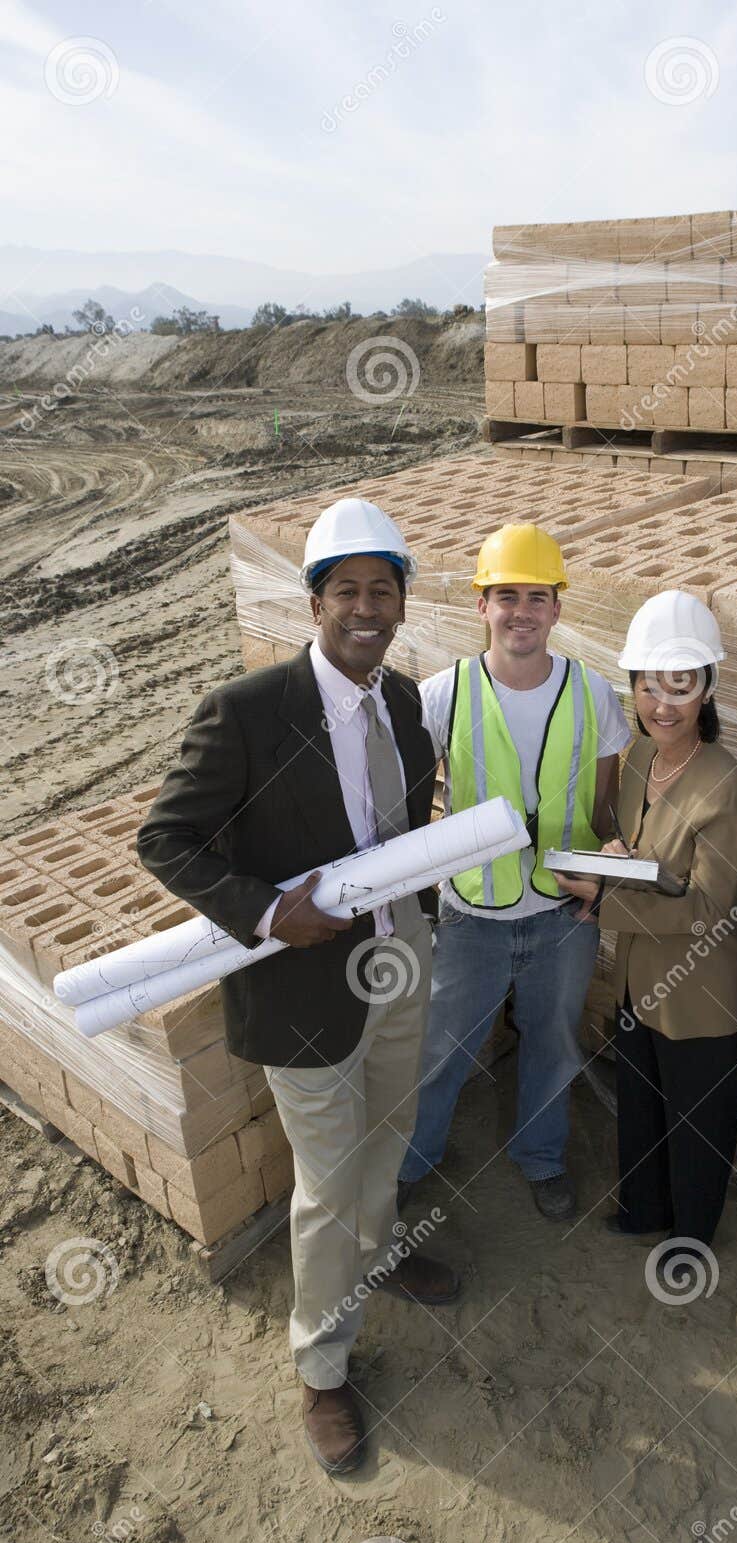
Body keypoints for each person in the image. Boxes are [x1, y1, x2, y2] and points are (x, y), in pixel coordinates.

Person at [138, 497, 460, 1475]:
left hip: (398, 963)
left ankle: (376, 1259)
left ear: (401, 601)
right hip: (303, 993)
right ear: (313, 604)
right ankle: (322, 1367)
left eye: (383, 590)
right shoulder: (244, 715)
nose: (367, 608)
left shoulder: (402, 702)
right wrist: (273, 913)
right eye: (346, 592)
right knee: (327, 1182)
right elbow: (165, 839)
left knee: (388, 1139)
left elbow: (401, 827)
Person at [397, 522, 631, 1219]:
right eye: (506, 595)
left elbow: (604, 809)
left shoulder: (594, 696)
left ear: (558, 607)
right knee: (441, 1049)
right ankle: (412, 1160)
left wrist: (607, 880)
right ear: (481, 606)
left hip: (562, 917)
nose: (521, 611)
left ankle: (541, 1157)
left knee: (554, 1045)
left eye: (537, 595)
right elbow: (410, 810)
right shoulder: (443, 694)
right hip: (471, 915)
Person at [554, 590, 737, 1251]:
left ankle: (689, 1239)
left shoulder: (724, 783)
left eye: (681, 686)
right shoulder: (640, 759)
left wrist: (604, 898)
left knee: (696, 1127)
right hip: (639, 981)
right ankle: (642, 1212)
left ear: (706, 691)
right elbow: (641, 849)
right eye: (648, 685)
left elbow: (708, 908)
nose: (661, 704)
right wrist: (616, 858)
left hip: (699, 997)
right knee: (640, 1109)